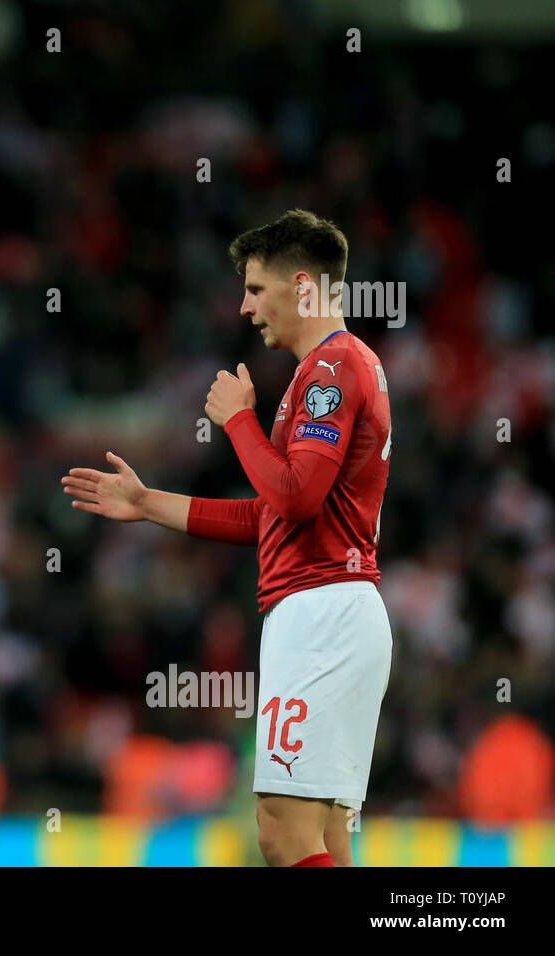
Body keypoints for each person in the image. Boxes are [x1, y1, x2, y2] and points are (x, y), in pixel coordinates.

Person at [63, 209, 392, 867]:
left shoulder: (331, 369)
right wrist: (148, 502)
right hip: (338, 606)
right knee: (324, 840)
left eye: (256, 288)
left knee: (279, 833)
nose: (245, 307)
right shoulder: (334, 368)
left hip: (320, 613)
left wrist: (239, 421)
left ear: (304, 288)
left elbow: (294, 492)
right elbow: (277, 515)